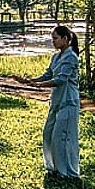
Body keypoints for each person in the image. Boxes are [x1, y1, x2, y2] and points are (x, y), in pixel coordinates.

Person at [23, 24, 81, 179]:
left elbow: (61, 80)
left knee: (61, 137)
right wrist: (30, 81)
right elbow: (48, 74)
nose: (53, 41)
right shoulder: (56, 57)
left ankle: (66, 172)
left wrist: (39, 86)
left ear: (65, 39)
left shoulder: (71, 57)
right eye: (52, 38)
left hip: (68, 101)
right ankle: (54, 166)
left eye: (55, 38)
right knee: (48, 134)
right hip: (56, 101)